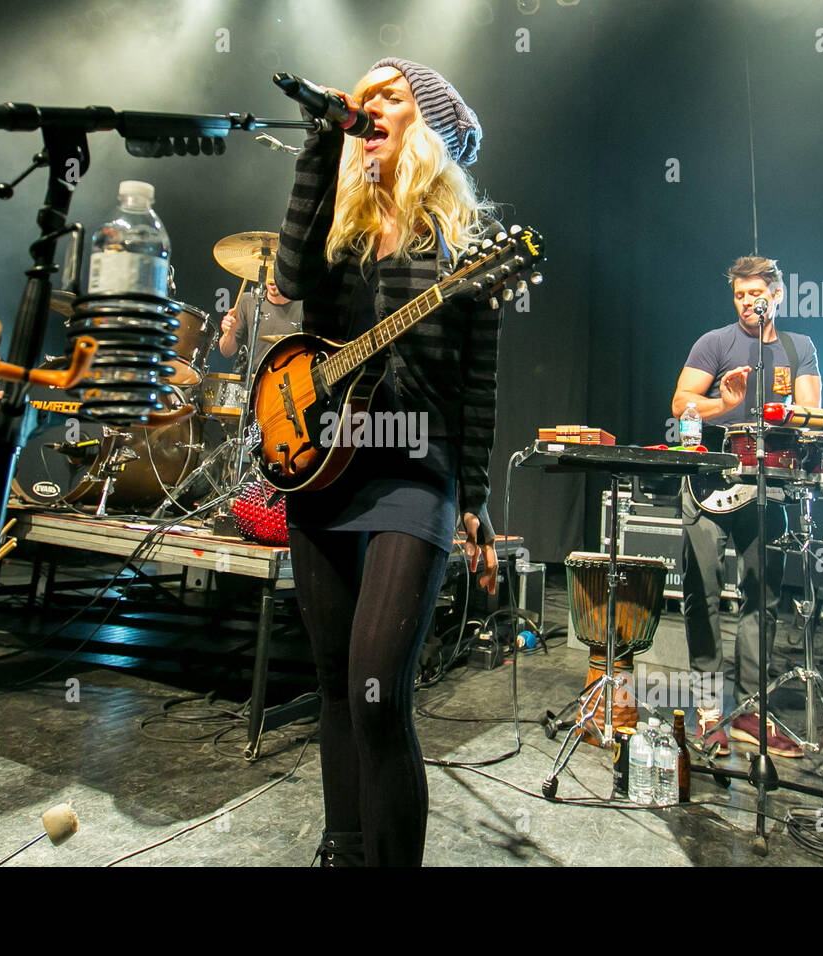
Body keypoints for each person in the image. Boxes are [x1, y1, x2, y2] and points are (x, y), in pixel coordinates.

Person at [273, 58, 502, 866]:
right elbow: (284, 278)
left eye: (388, 96)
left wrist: (471, 497)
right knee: (334, 681)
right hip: (324, 462)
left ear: (425, 122)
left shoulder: (465, 246)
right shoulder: (339, 220)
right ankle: (341, 849)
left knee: (377, 693)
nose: (367, 107)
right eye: (360, 98)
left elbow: (480, 384)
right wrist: (315, 145)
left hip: (416, 465)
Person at [671, 256, 822, 759]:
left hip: (769, 485)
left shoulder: (799, 348)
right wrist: (723, 400)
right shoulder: (714, 343)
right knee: (703, 594)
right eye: (739, 294)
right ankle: (711, 713)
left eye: (756, 292)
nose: (747, 301)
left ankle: (751, 714)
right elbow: (680, 405)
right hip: (709, 486)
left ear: (776, 294)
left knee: (764, 598)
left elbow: (812, 414)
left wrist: (803, 419)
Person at [217, 281, 304, 375]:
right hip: (253, 381)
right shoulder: (248, 301)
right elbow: (226, 352)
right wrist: (229, 333)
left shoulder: (304, 306)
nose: (271, 278)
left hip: (290, 381)